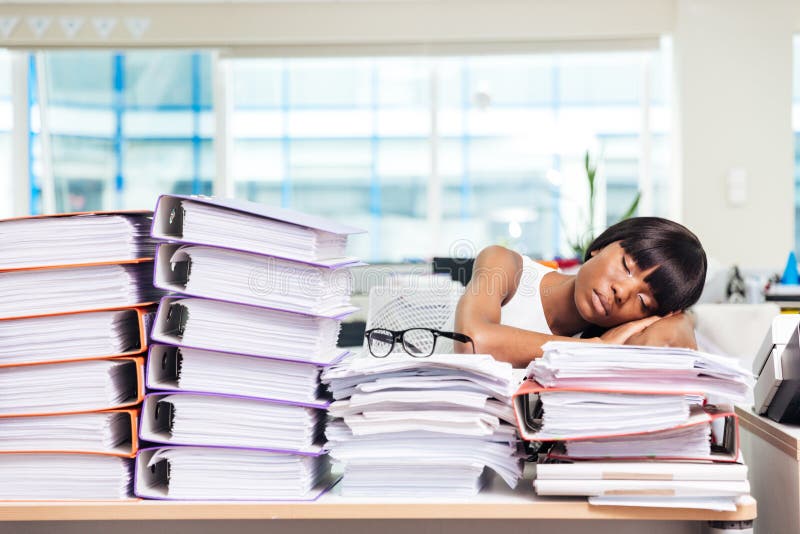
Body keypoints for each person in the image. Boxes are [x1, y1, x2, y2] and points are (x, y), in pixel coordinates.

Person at [453, 217, 707, 367]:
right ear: (602, 246)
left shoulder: (613, 342)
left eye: (643, 301)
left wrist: (683, 318)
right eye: (626, 267)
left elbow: (673, 337)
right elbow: (471, 341)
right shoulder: (505, 264)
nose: (622, 292)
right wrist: (595, 347)